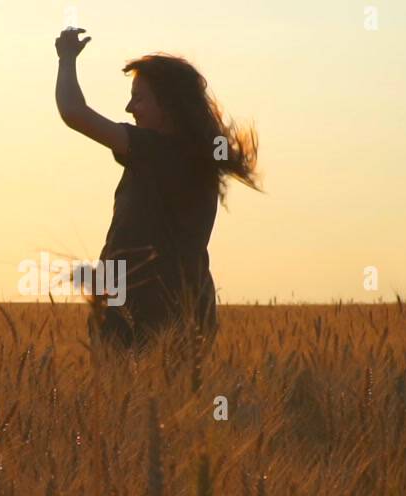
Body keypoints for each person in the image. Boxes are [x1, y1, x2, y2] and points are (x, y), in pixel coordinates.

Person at [54, 27, 261, 353]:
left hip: (146, 312)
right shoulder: (190, 156)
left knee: (125, 398)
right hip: (174, 308)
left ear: (168, 106)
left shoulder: (162, 152)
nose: (129, 108)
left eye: (138, 97)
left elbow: (73, 112)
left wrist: (66, 59)